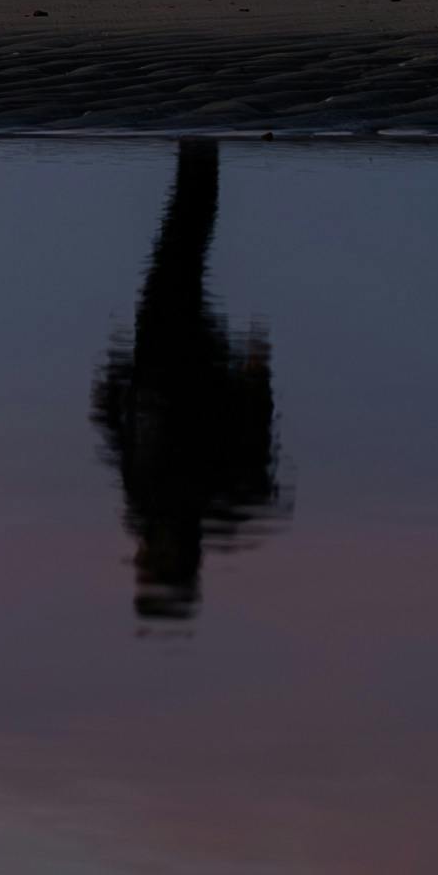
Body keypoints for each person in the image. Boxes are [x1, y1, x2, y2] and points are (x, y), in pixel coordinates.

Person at [85, 139, 285, 625]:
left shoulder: (152, 506)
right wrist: (256, 376)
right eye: (150, 566)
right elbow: (250, 436)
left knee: (179, 246)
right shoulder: (206, 499)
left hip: (159, 356)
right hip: (184, 359)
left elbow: (127, 442)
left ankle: (198, 148)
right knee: (180, 246)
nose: (139, 558)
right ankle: (199, 147)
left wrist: (110, 395)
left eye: (143, 566)